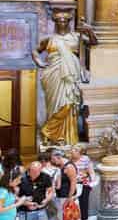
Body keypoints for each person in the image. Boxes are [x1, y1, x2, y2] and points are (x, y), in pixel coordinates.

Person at [32, 10, 97, 147]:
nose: (62, 23)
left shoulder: (76, 37)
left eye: (65, 21)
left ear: (69, 22)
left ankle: (48, 131)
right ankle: (55, 137)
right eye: (59, 21)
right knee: (55, 106)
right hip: (53, 75)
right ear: (55, 22)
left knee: (68, 104)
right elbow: (36, 51)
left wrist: (89, 31)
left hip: (71, 75)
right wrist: (39, 62)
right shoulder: (49, 38)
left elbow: (93, 42)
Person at [50, 149, 77, 220]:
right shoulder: (60, 166)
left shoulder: (69, 166)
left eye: (54, 159)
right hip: (60, 194)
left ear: (59, 157)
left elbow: (73, 182)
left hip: (66, 195)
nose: (53, 162)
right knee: (60, 215)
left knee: (66, 215)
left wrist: (70, 197)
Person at [69, 146, 92, 220]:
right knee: (71, 202)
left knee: (83, 203)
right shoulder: (69, 160)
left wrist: (88, 177)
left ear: (80, 152)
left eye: (75, 150)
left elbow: (90, 171)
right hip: (73, 183)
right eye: (72, 149)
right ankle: (72, 219)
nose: (72, 151)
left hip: (84, 183)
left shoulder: (85, 159)